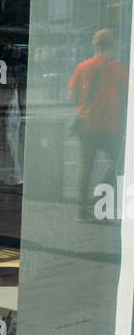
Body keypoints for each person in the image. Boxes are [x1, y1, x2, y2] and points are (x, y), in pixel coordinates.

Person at [68, 28, 128, 218]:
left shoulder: (83, 66)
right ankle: (98, 200)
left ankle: (80, 210)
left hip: (86, 125)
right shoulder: (118, 67)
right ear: (112, 46)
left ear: (94, 45)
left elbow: (72, 98)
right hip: (111, 126)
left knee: (85, 166)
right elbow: (127, 95)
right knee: (117, 164)